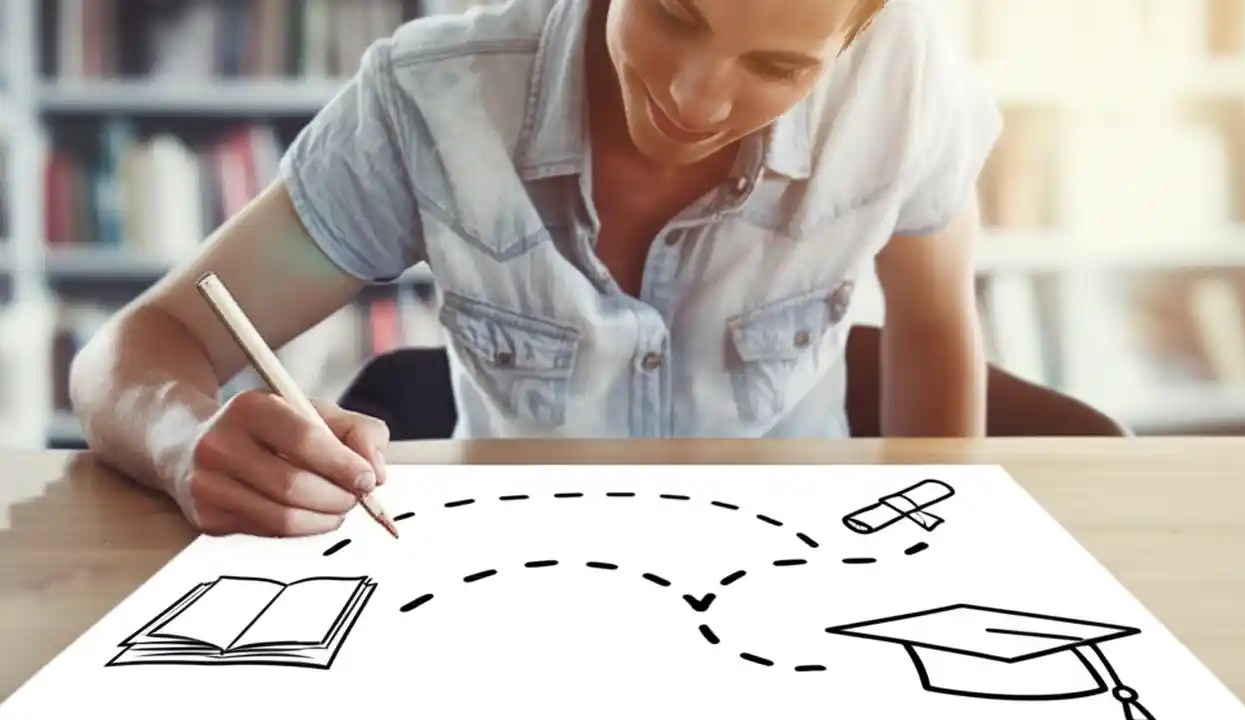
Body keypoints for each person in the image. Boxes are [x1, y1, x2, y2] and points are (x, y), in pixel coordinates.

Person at [69, 0, 1002, 538]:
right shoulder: (432, 102)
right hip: (517, 584)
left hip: (797, 580)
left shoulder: (907, 85)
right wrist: (184, 442)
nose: (694, 97)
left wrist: (933, 547)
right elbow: (146, 342)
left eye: (778, 65)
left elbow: (932, 330)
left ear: (852, 40)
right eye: (675, 12)